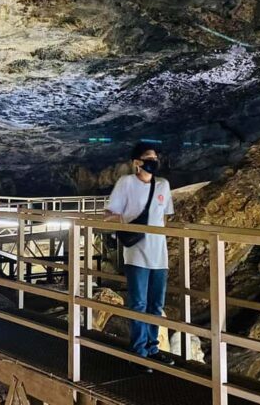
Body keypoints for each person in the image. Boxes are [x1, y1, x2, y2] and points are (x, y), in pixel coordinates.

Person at [104, 142, 175, 370]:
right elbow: (111, 213)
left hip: (159, 254)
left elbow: (166, 218)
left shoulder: (163, 186)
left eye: (154, 158)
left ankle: (153, 349)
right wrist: (125, 225)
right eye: (147, 158)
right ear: (137, 162)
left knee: (156, 305)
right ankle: (139, 353)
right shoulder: (126, 183)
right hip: (136, 253)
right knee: (138, 303)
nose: (152, 161)